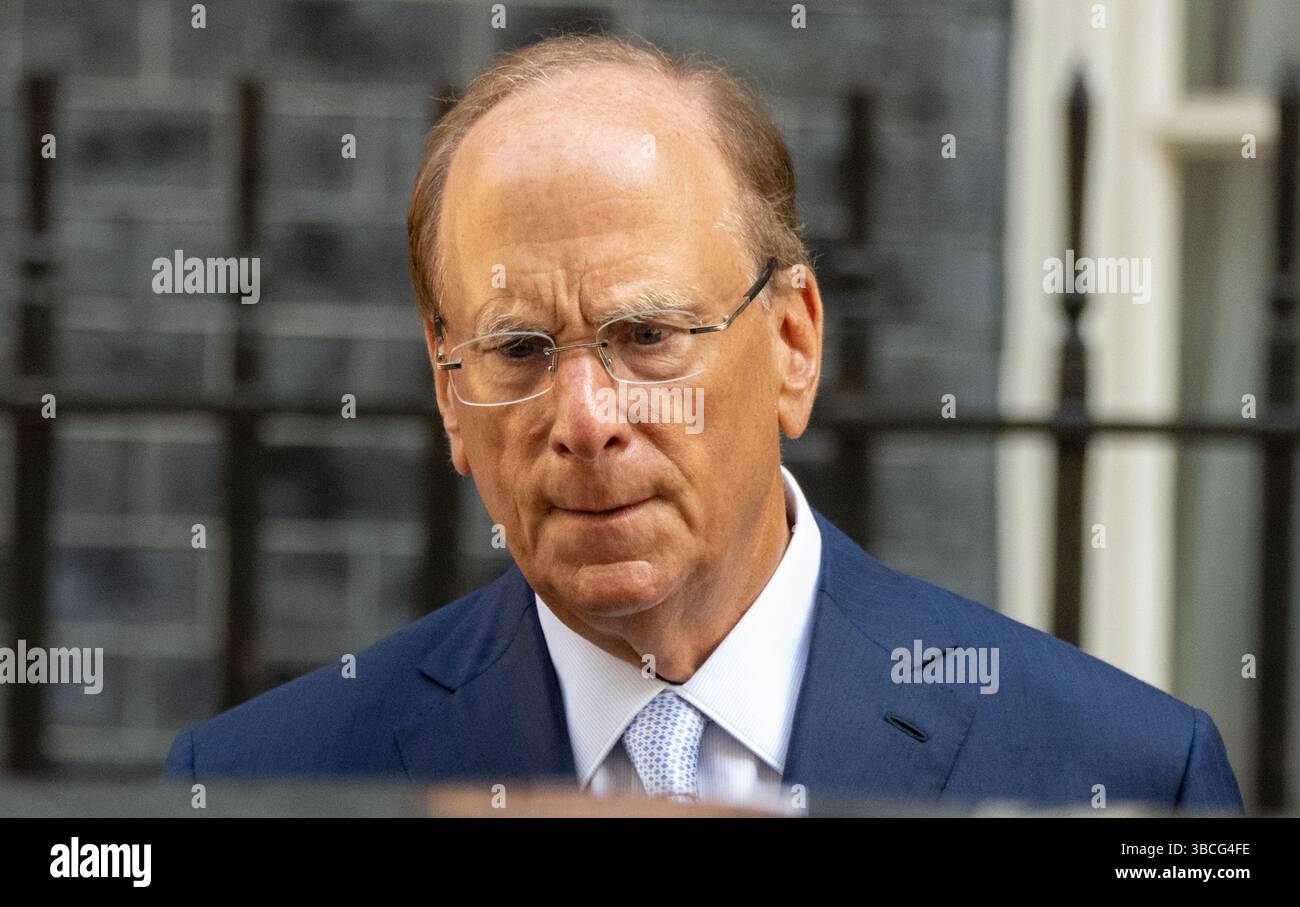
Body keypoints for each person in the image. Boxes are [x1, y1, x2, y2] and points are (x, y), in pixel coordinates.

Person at [163, 33, 1243, 815]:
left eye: (648, 334)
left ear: (793, 345)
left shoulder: (1116, 772)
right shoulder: (264, 784)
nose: (585, 420)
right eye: (518, 351)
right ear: (449, 394)